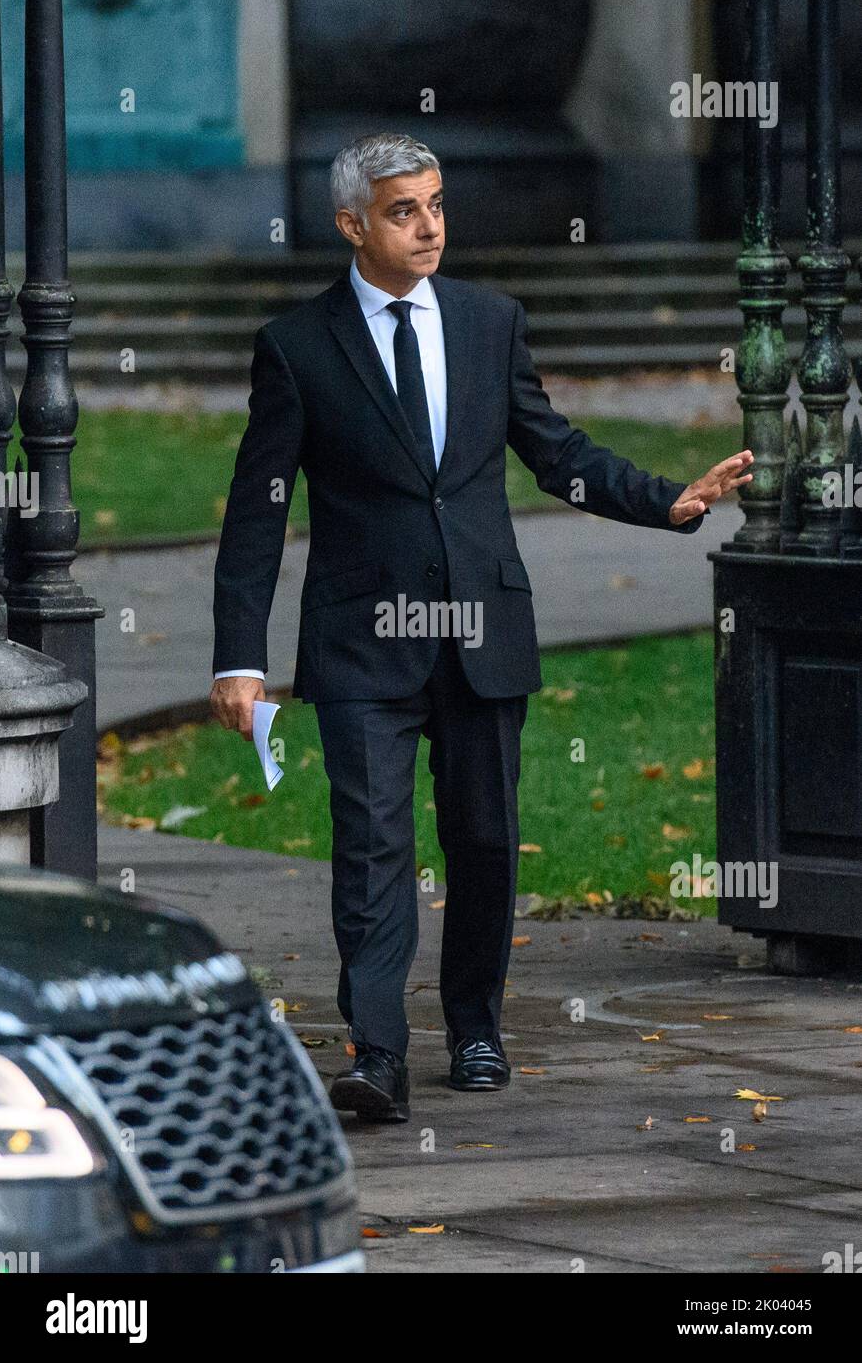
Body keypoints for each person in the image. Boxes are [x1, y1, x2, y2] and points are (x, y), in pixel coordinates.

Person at [210, 132, 753, 1124]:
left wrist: (666, 500)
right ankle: (377, 1053)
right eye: (402, 211)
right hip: (360, 645)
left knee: (485, 840)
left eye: (436, 205)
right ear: (352, 225)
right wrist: (238, 658)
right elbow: (260, 508)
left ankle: (475, 1028)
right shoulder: (294, 345)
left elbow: (555, 453)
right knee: (370, 849)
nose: (427, 227)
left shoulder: (488, 321)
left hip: (481, 631)